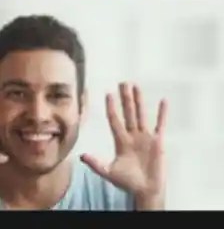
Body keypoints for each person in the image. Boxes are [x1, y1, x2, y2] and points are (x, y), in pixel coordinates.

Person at [0, 15, 168, 210]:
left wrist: (151, 200)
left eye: (57, 95)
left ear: (82, 106)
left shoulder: (120, 198)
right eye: (18, 94)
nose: (39, 115)